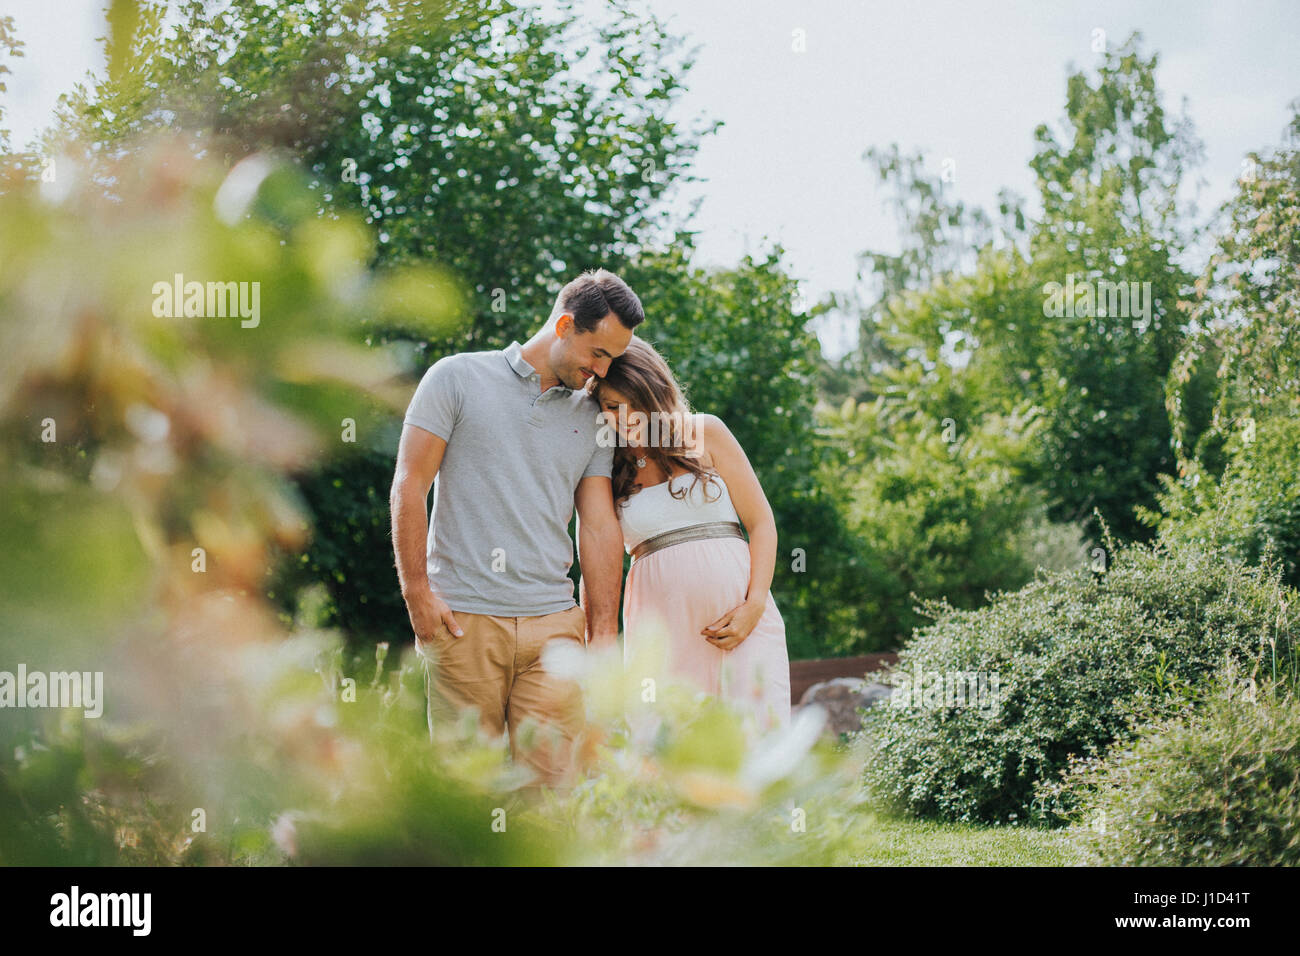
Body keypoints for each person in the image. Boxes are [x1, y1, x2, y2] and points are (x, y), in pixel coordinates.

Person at [390, 269, 638, 787]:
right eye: (597, 353)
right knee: (466, 793)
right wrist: (416, 591)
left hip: (555, 632)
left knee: (552, 798)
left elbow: (596, 526)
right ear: (566, 324)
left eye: (612, 359)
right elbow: (409, 484)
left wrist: (603, 632)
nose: (602, 370)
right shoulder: (455, 378)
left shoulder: (592, 415)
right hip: (464, 622)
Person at [590, 337, 791, 733]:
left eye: (635, 403)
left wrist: (754, 607)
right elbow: (597, 555)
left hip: (743, 625)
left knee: (755, 748)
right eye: (611, 407)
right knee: (670, 755)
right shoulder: (605, 466)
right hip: (661, 641)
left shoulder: (705, 432)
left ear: (656, 396)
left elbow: (762, 523)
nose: (624, 416)